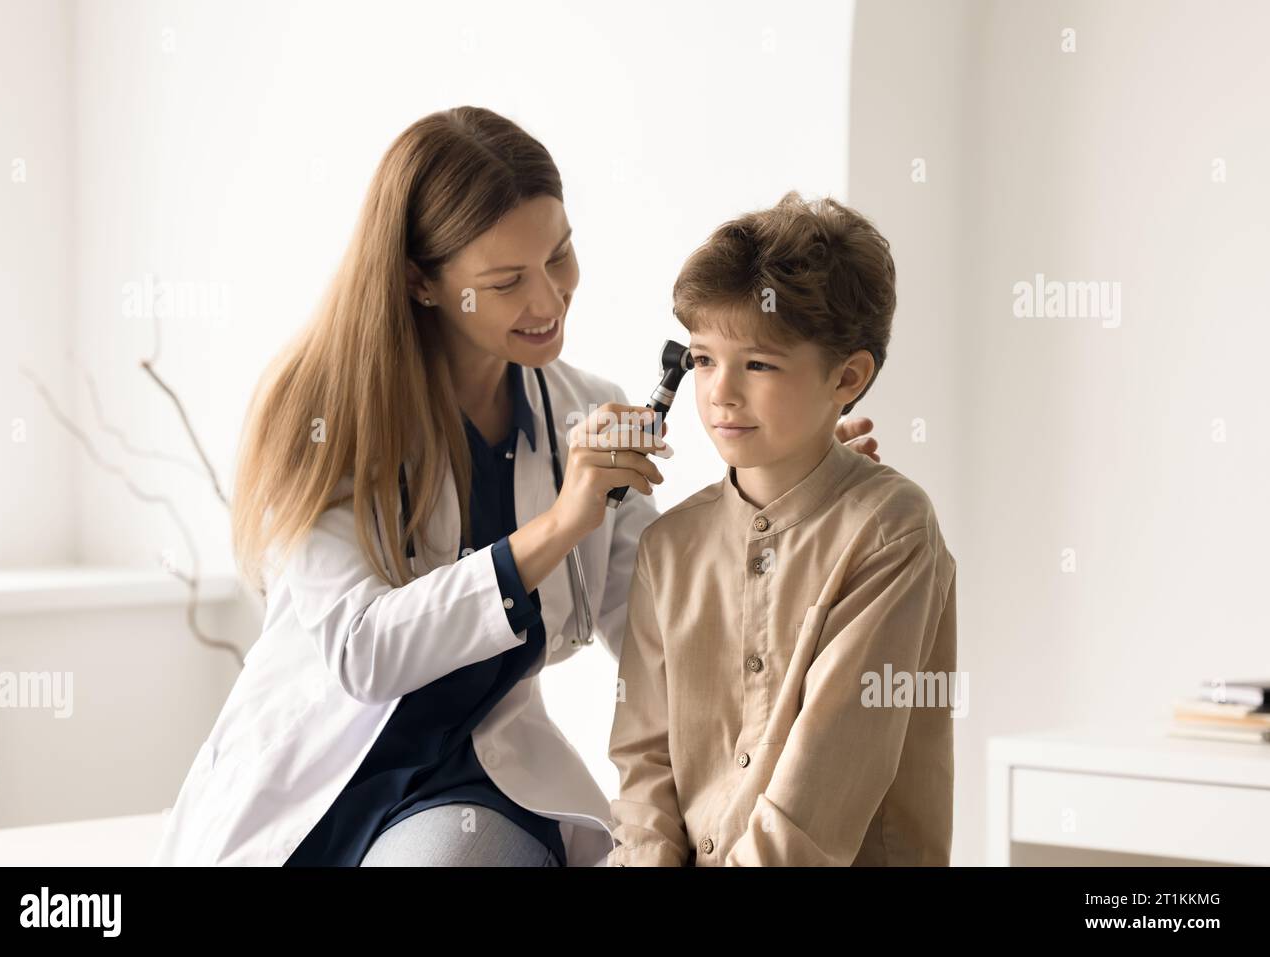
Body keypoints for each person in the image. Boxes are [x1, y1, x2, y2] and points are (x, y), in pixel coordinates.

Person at [152, 108, 882, 867]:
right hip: (315, 778)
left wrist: (792, 491)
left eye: (560, 256)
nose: (549, 300)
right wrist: (558, 526)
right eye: (506, 282)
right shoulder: (325, 415)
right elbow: (364, 652)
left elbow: (664, 631)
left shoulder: (582, 410)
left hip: (474, 780)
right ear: (421, 282)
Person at [607, 192, 956, 866]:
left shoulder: (890, 532)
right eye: (704, 359)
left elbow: (817, 802)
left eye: (757, 363)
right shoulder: (668, 546)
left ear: (847, 377)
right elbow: (643, 765)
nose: (720, 392)